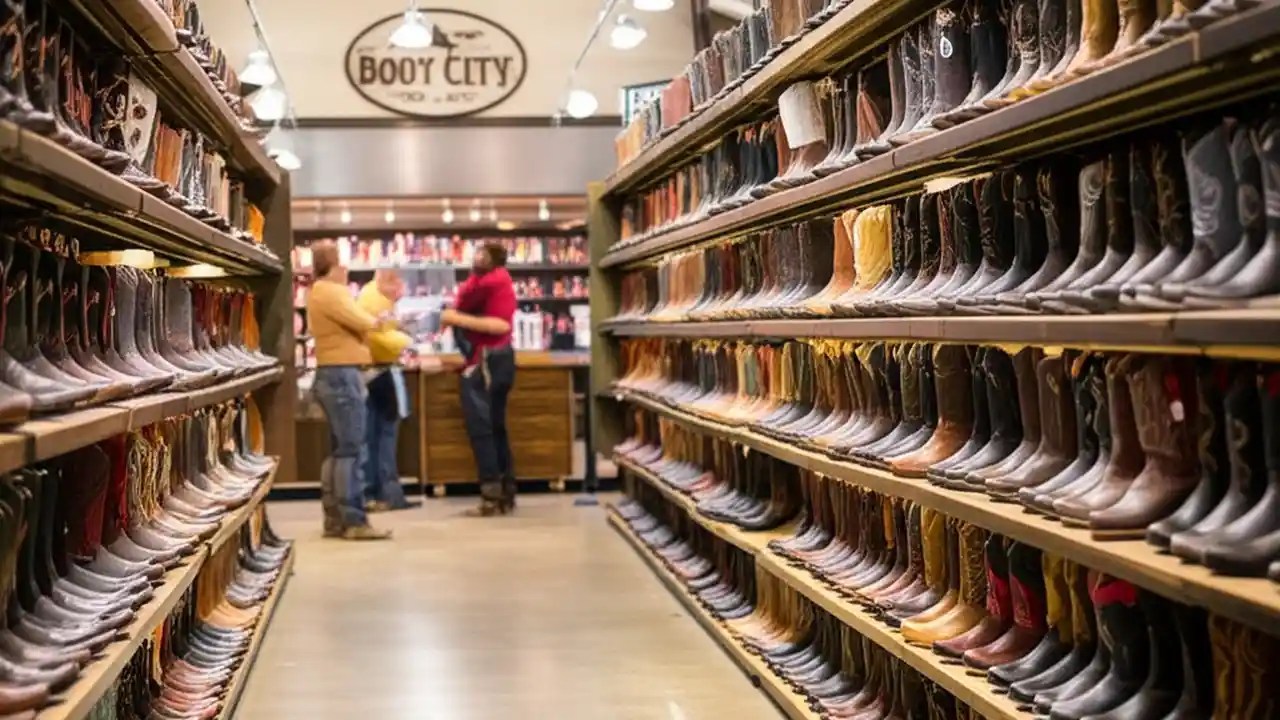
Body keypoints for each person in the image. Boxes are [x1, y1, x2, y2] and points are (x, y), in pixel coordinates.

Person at [306, 240, 393, 540]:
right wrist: (381, 322)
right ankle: (353, 519)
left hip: (330, 372)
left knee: (339, 450)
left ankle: (334, 518)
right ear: (334, 265)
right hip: (343, 374)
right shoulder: (332, 291)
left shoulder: (317, 291)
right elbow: (362, 321)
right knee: (352, 449)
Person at [440, 242, 517, 516]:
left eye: (483, 255)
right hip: (496, 359)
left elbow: (501, 325)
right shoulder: (492, 283)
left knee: (482, 429)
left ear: (495, 261)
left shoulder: (493, 284)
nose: (477, 258)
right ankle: (505, 492)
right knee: (495, 427)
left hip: (486, 361)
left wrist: (456, 318)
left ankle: (491, 495)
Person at [357, 270, 421, 512]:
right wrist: (406, 341)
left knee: (371, 436)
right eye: (397, 285)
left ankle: (371, 494)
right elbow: (379, 337)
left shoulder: (368, 297)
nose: (400, 291)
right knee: (387, 434)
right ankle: (390, 494)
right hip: (383, 373)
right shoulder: (376, 301)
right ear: (386, 282)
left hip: (368, 374)